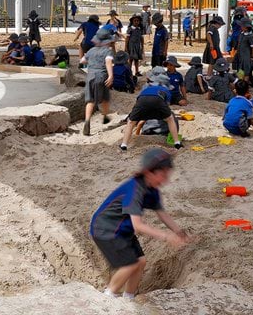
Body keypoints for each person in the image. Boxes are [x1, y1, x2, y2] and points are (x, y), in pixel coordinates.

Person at [90, 148, 189, 300]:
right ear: (149, 172)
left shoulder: (152, 189)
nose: (166, 179)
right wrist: (166, 236)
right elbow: (138, 226)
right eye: (163, 174)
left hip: (123, 230)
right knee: (130, 264)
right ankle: (107, 298)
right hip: (106, 229)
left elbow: (162, 213)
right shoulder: (135, 190)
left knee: (141, 262)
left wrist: (178, 232)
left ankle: (128, 298)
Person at [120, 68, 183, 151]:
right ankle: (177, 143)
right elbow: (166, 106)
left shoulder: (146, 88)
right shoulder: (165, 90)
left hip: (142, 99)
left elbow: (138, 101)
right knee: (170, 119)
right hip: (158, 99)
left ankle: (124, 145)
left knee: (131, 122)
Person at [80, 29, 115, 136]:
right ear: (107, 41)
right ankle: (104, 116)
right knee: (105, 98)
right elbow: (108, 62)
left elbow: (82, 61)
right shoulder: (108, 51)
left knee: (90, 101)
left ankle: (87, 121)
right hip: (101, 76)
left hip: (90, 76)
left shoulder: (91, 50)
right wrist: (110, 75)